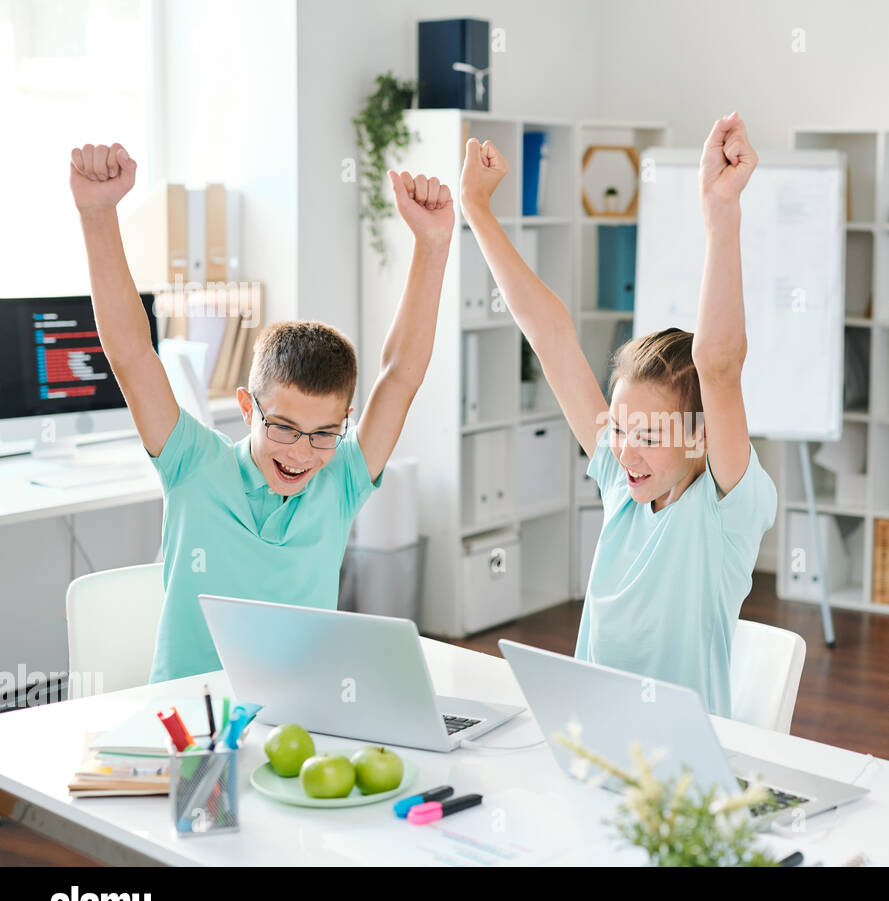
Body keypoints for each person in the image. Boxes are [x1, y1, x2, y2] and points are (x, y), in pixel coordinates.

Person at [70, 143, 455, 681]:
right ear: (248, 407)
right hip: (189, 713)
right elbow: (133, 355)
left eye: (324, 433)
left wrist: (433, 246)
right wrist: (98, 215)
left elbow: (400, 376)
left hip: (301, 711)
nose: (301, 453)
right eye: (284, 427)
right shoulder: (192, 464)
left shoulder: (342, 477)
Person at [459, 113, 777, 717]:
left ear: (699, 436)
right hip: (593, 743)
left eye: (650, 436)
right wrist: (477, 208)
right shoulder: (620, 481)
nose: (624, 450)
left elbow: (720, 364)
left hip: (678, 777)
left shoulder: (724, 511)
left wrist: (721, 213)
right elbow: (552, 336)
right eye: (622, 428)